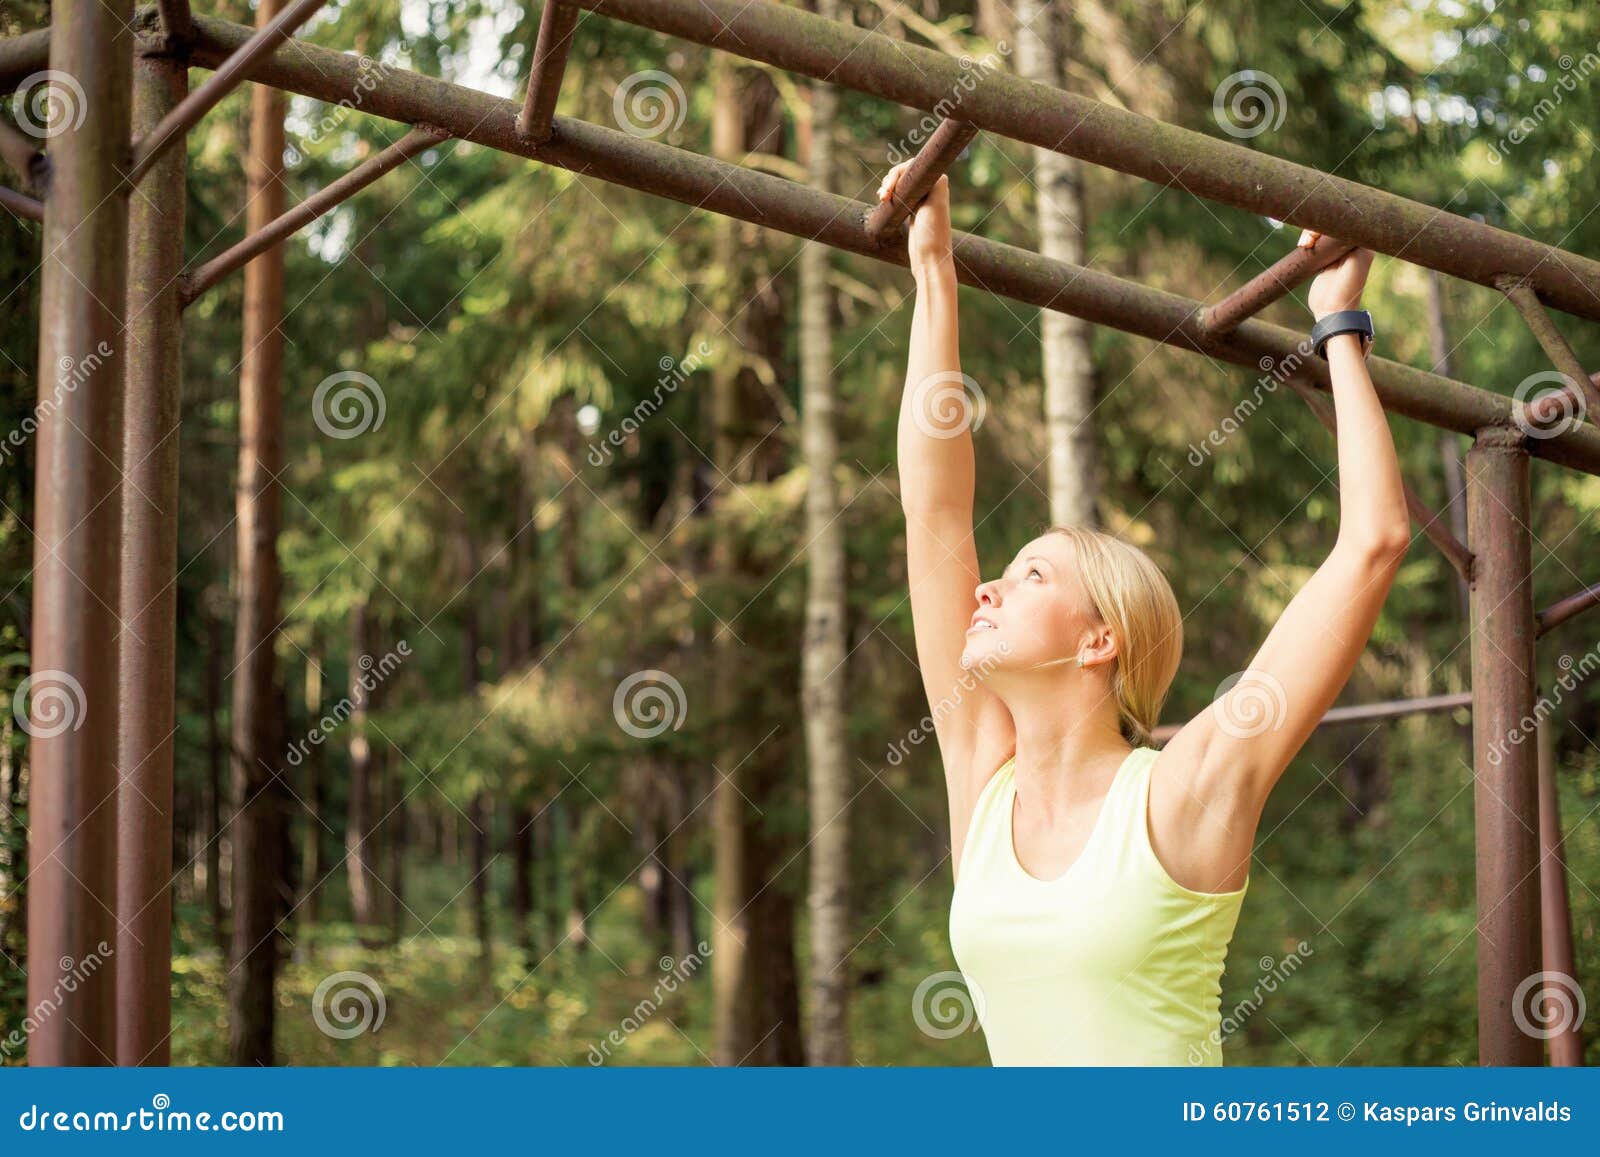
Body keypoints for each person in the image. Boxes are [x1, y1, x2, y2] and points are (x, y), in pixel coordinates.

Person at [880, 160, 1408, 1065]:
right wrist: (933, 267)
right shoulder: (983, 774)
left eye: (1031, 575)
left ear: (1100, 640)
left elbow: (1373, 541)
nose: (986, 588)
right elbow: (933, 514)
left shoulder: (1183, 788)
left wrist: (1338, 327)